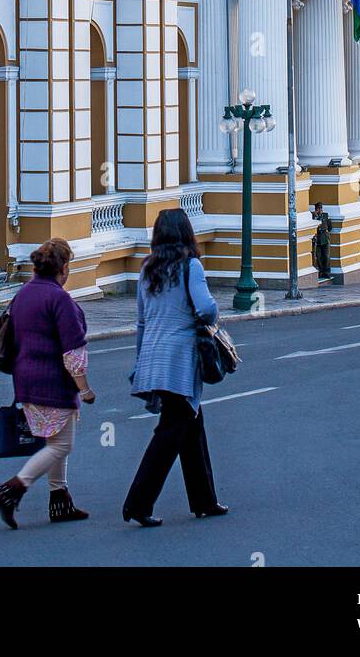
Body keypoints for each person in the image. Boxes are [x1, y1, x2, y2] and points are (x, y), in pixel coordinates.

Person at [122, 208, 227, 528]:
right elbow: (207, 309)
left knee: (191, 426)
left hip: (154, 356)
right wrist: (207, 317)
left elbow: (140, 321)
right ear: (186, 233)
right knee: (169, 433)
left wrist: (140, 362)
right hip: (180, 360)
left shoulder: (147, 269)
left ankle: (204, 500)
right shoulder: (190, 266)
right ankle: (137, 504)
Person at [0, 238, 94, 529]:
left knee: (55, 439)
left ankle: (59, 500)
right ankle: (12, 489)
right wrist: (84, 389)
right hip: (54, 382)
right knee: (61, 446)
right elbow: (73, 351)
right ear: (63, 268)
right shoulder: (60, 299)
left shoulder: (23, 293)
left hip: (25, 377)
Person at [312, 202, 332, 280]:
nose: (319, 210)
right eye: (318, 209)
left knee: (326, 256)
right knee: (319, 257)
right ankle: (321, 271)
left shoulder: (325, 215)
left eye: (320, 208)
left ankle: (327, 272)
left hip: (325, 237)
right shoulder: (313, 217)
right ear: (316, 209)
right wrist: (315, 217)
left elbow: (330, 227)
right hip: (318, 238)